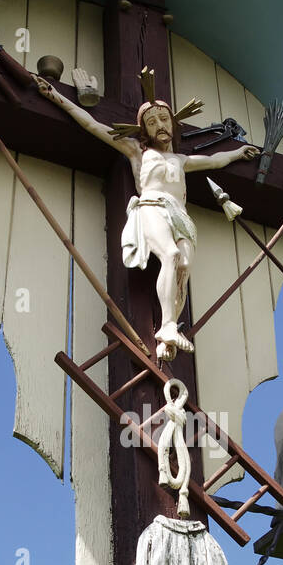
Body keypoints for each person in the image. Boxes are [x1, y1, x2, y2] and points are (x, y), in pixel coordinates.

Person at [33, 72, 258, 359]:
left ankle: (167, 335)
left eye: (164, 119)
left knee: (183, 268)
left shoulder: (182, 160)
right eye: (152, 122)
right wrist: (56, 96)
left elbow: (216, 160)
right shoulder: (137, 152)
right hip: (152, 206)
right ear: (145, 131)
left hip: (181, 216)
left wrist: (239, 152)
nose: (160, 125)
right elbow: (91, 124)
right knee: (170, 255)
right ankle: (166, 326)